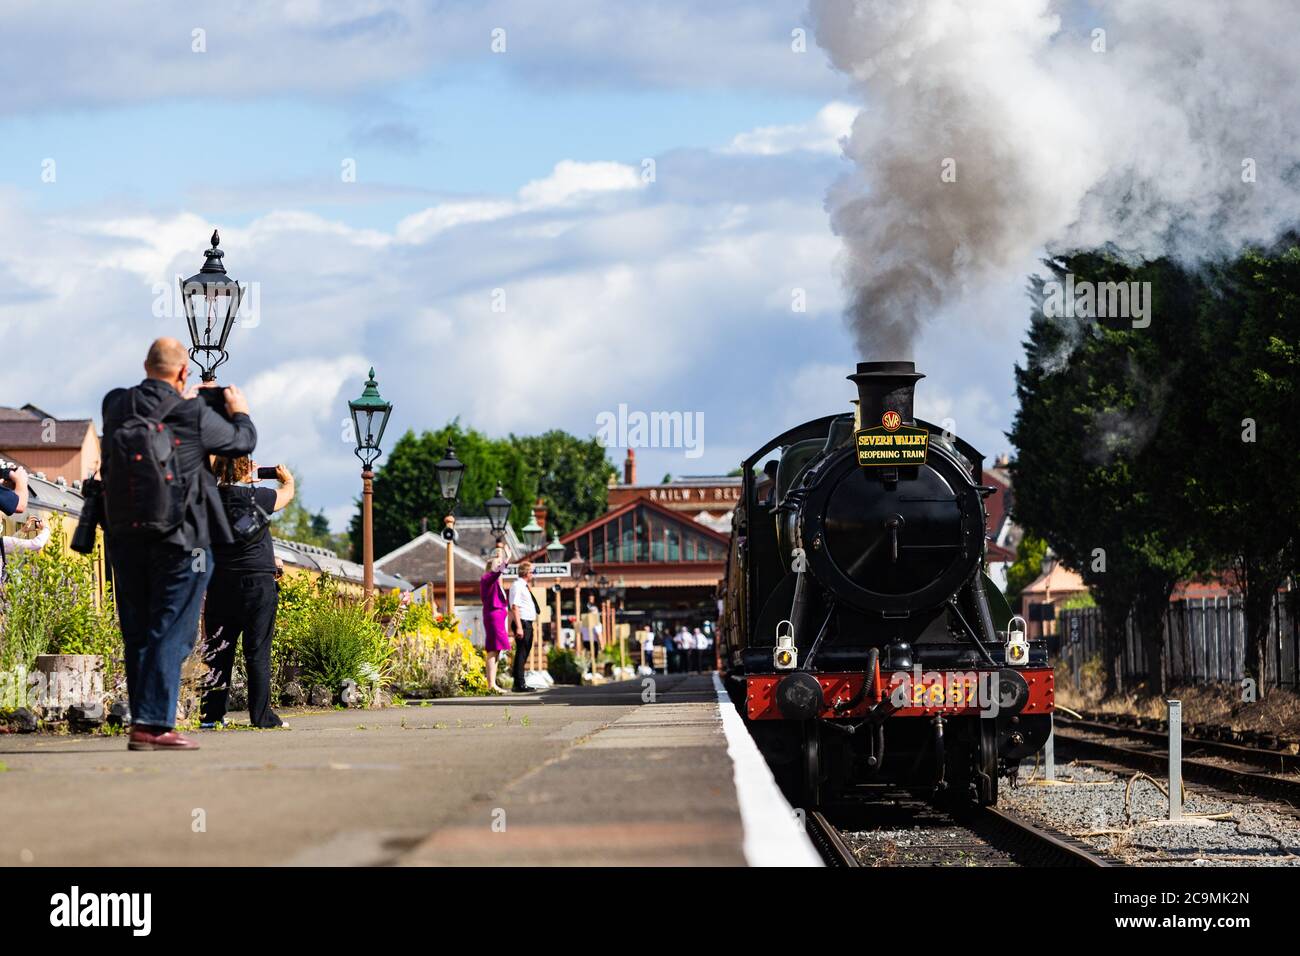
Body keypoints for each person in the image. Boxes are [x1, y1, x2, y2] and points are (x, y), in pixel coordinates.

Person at [101, 338, 256, 752]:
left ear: (145, 365)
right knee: (172, 628)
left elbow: (152, 414)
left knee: (138, 630)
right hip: (182, 538)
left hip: (125, 534)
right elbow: (242, 443)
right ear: (185, 372)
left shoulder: (115, 404)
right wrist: (237, 408)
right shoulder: (192, 413)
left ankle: (144, 723)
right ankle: (153, 725)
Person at [199, 458, 294, 729]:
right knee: (257, 652)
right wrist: (286, 479)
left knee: (218, 652)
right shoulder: (260, 497)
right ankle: (261, 717)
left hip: (219, 584)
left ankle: (212, 716)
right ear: (246, 469)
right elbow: (287, 493)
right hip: (257, 585)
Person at [479, 546, 512, 694]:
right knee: (493, 649)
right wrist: (507, 559)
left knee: (497, 650)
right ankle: (491, 684)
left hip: (497, 617)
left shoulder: (495, 583)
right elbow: (497, 572)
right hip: (493, 617)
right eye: (497, 564)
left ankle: (493, 683)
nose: (499, 566)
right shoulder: (487, 578)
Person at [508, 560, 540, 692]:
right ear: (526, 572)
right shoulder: (517, 585)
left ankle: (519, 682)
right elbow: (514, 607)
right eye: (532, 571)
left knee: (524, 652)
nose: (533, 574)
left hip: (527, 623)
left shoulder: (524, 586)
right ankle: (519, 684)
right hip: (522, 622)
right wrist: (519, 627)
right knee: (521, 653)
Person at [1, 513, 50, 582]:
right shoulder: (4, 542)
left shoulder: (3, 543)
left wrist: (24, 530)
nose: (2, 520)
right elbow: (37, 544)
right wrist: (46, 529)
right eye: (0, 519)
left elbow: (10, 546)